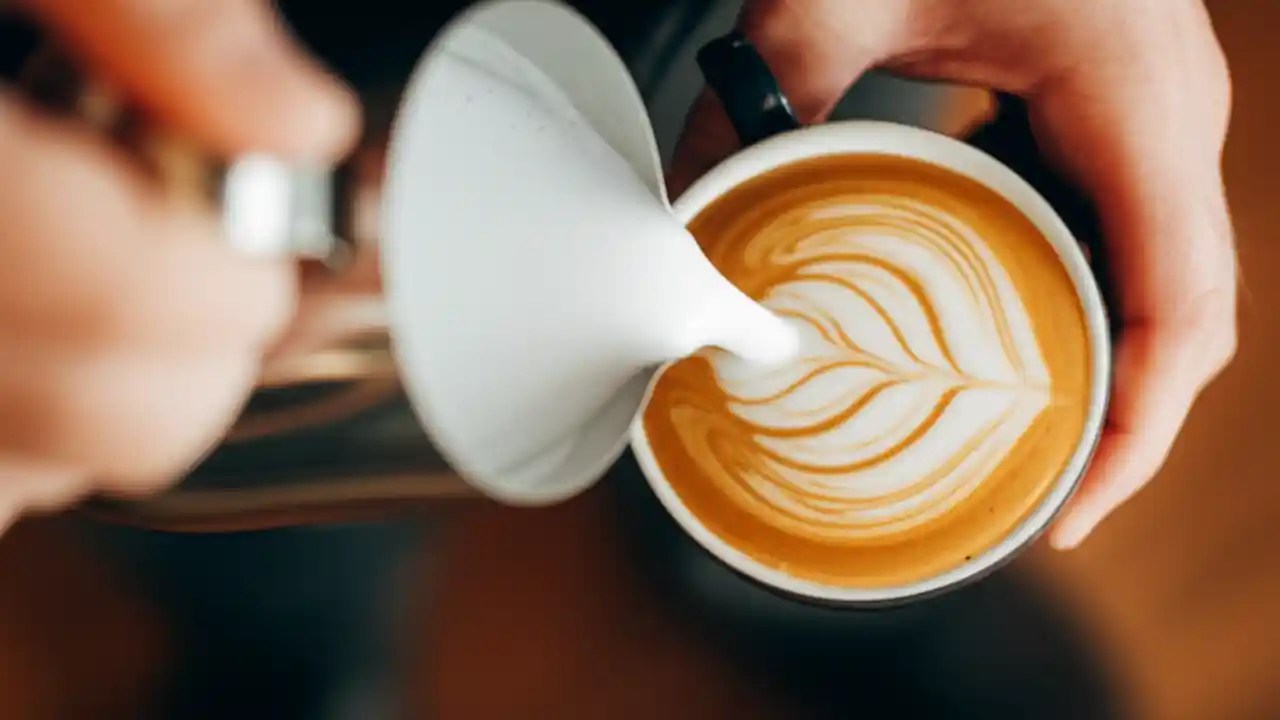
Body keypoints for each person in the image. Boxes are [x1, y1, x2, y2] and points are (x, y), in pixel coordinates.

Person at [0, 0, 1235, 551]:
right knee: (247, 461)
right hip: (147, 170)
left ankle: (785, 595)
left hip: (788, 32)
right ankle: (298, 650)